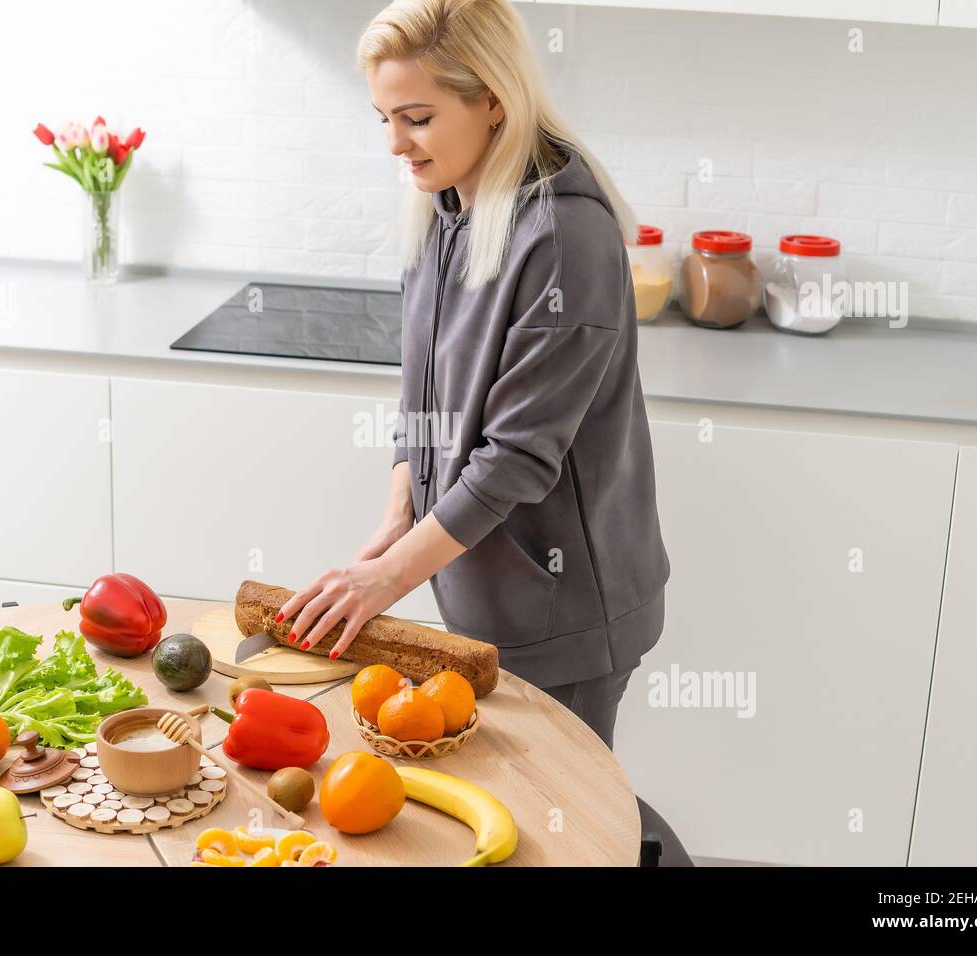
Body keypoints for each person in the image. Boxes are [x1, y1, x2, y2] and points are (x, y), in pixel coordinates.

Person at [277, 0, 690, 866]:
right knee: (496, 825)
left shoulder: (563, 235)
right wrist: (397, 513)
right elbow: (423, 386)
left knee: (556, 836)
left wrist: (382, 580)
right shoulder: (449, 204)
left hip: (565, 606)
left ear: (493, 100)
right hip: (480, 591)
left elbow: (515, 459)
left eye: (417, 117)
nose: (396, 142)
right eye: (385, 118)